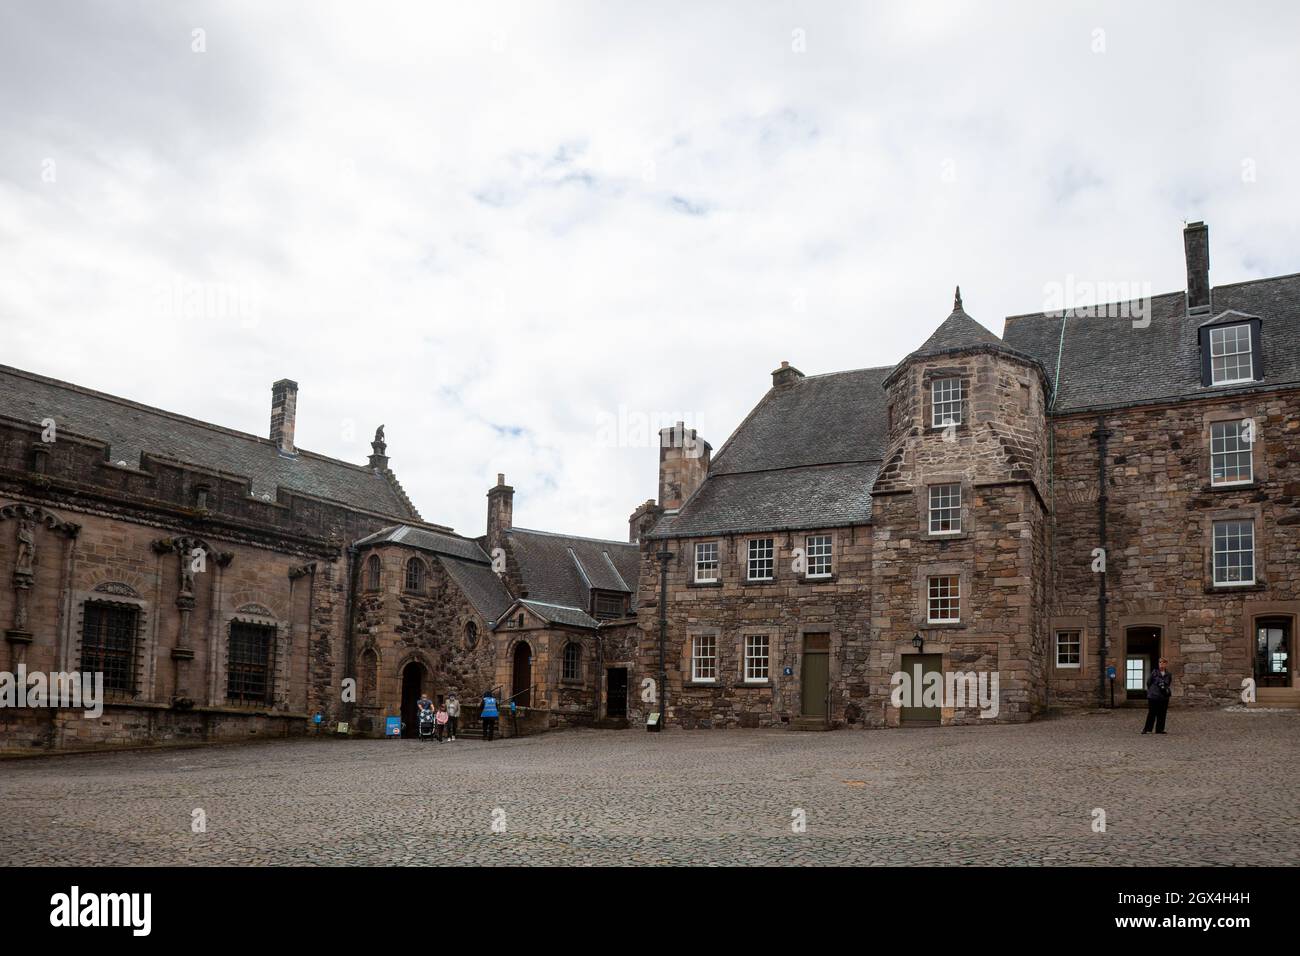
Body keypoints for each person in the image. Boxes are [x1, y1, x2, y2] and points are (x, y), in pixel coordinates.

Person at [1142, 657, 1172, 734]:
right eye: (1160, 662)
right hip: (1153, 696)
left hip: (1164, 697)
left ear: (1166, 664)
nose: (1161, 664)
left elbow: (1168, 684)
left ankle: (1160, 729)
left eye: (1163, 663)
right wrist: (1152, 690)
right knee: (1152, 712)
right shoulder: (1154, 672)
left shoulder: (1168, 674)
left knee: (1162, 713)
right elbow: (1148, 682)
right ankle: (1147, 729)